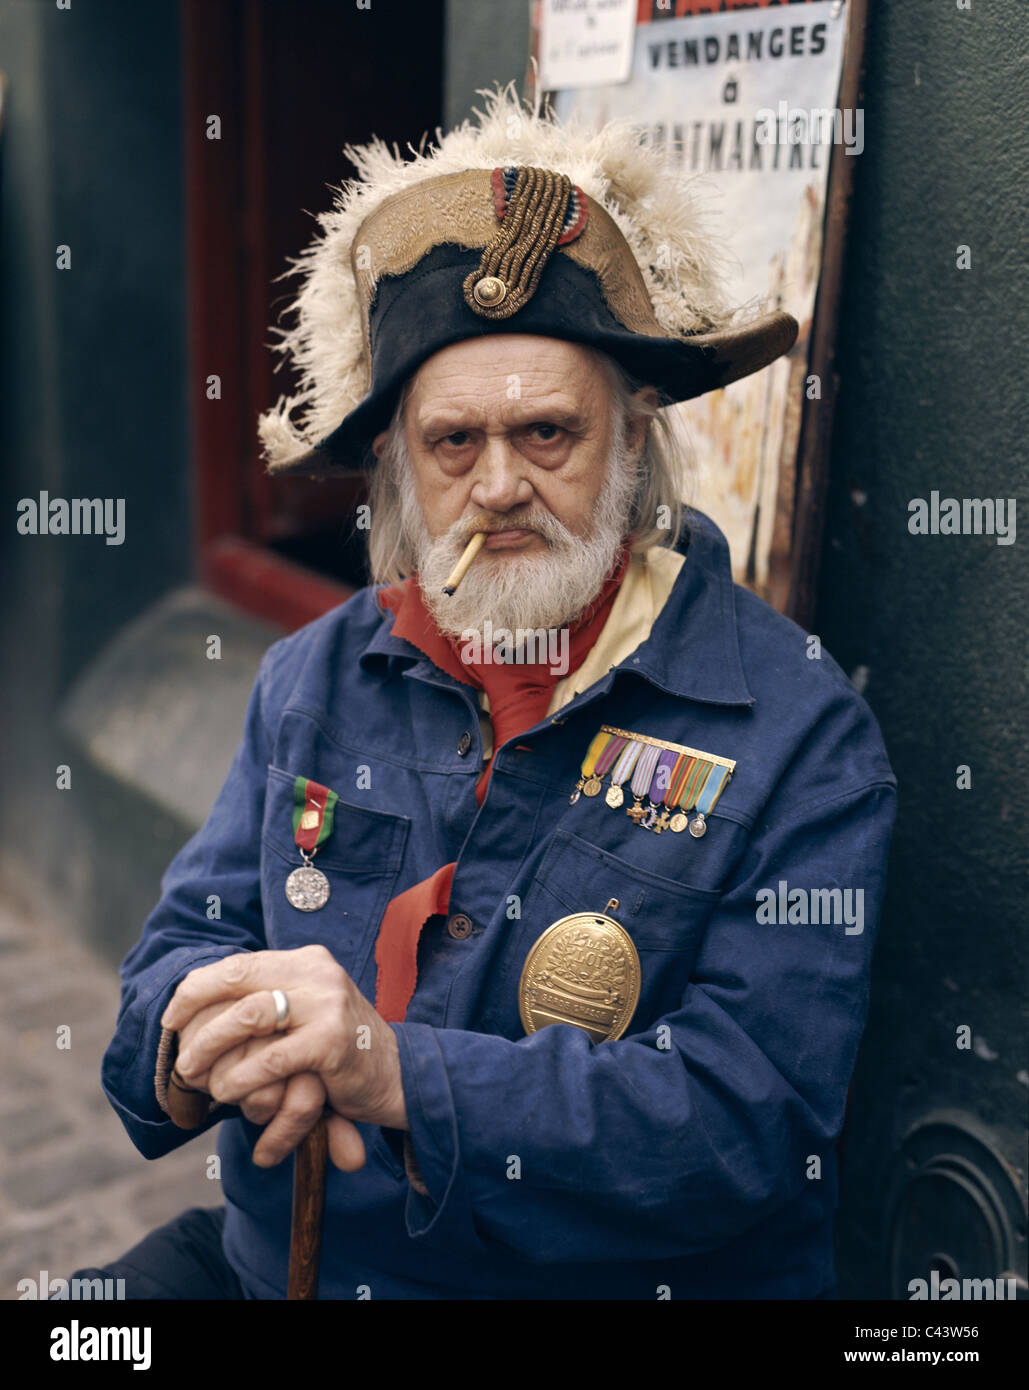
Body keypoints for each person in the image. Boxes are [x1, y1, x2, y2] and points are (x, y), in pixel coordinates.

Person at [75, 91, 895, 1299]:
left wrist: (390, 1070)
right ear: (403, 470)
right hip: (274, 1272)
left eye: (549, 432)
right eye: (454, 443)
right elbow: (181, 954)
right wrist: (207, 1047)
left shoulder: (799, 729)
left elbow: (746, 1122)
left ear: (630, 444)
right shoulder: (315, 673)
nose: (501, 485)